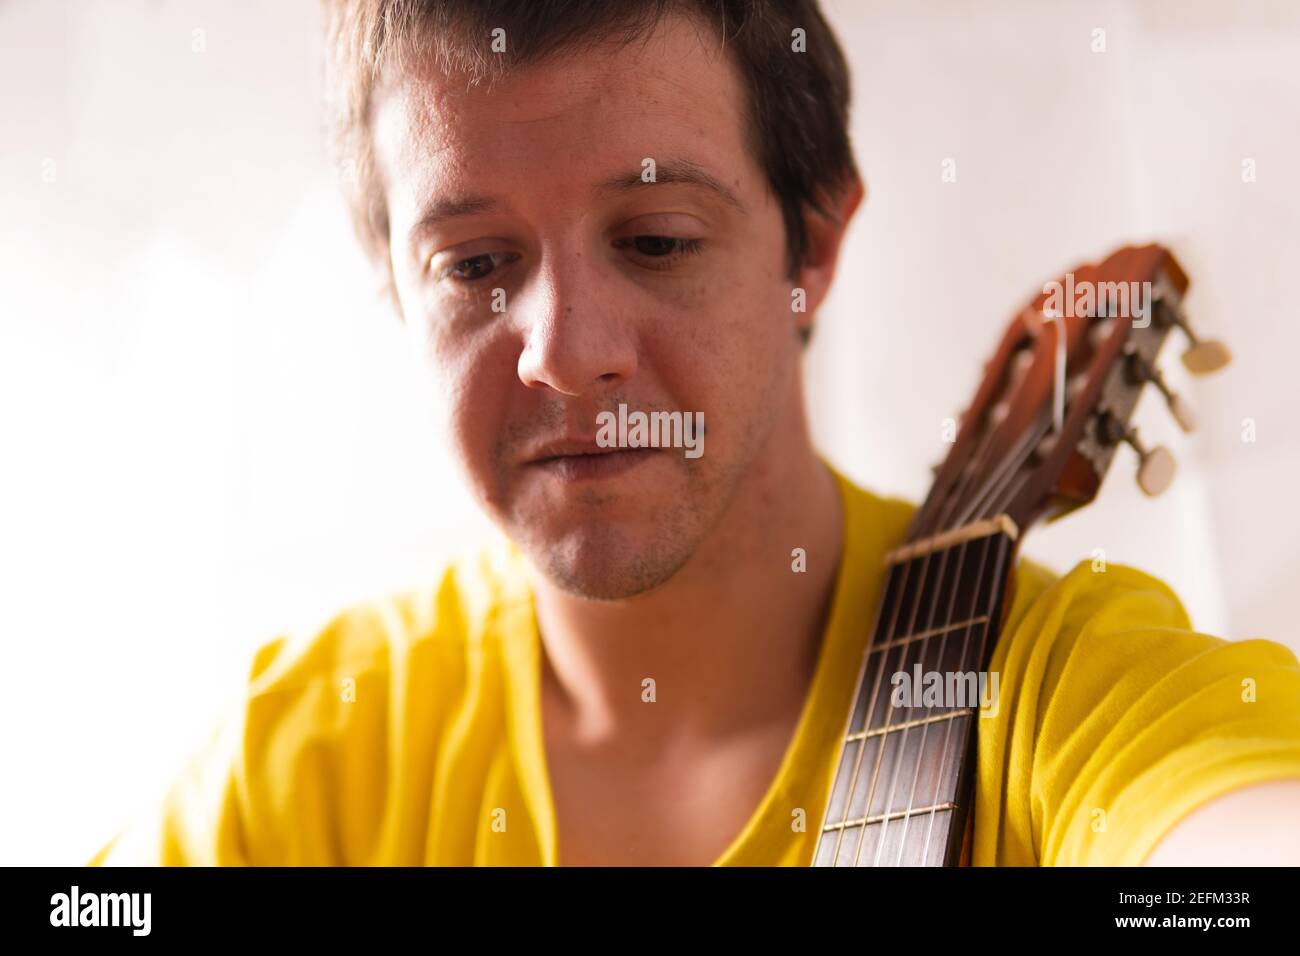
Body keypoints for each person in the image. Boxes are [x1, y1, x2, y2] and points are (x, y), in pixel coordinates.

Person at [90, 0, 1300, 867]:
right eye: (473, 263)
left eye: (656, 238)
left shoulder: (1059, 692)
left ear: (811, 244)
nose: (566, 352)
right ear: (394, 292)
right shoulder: (308, 759)